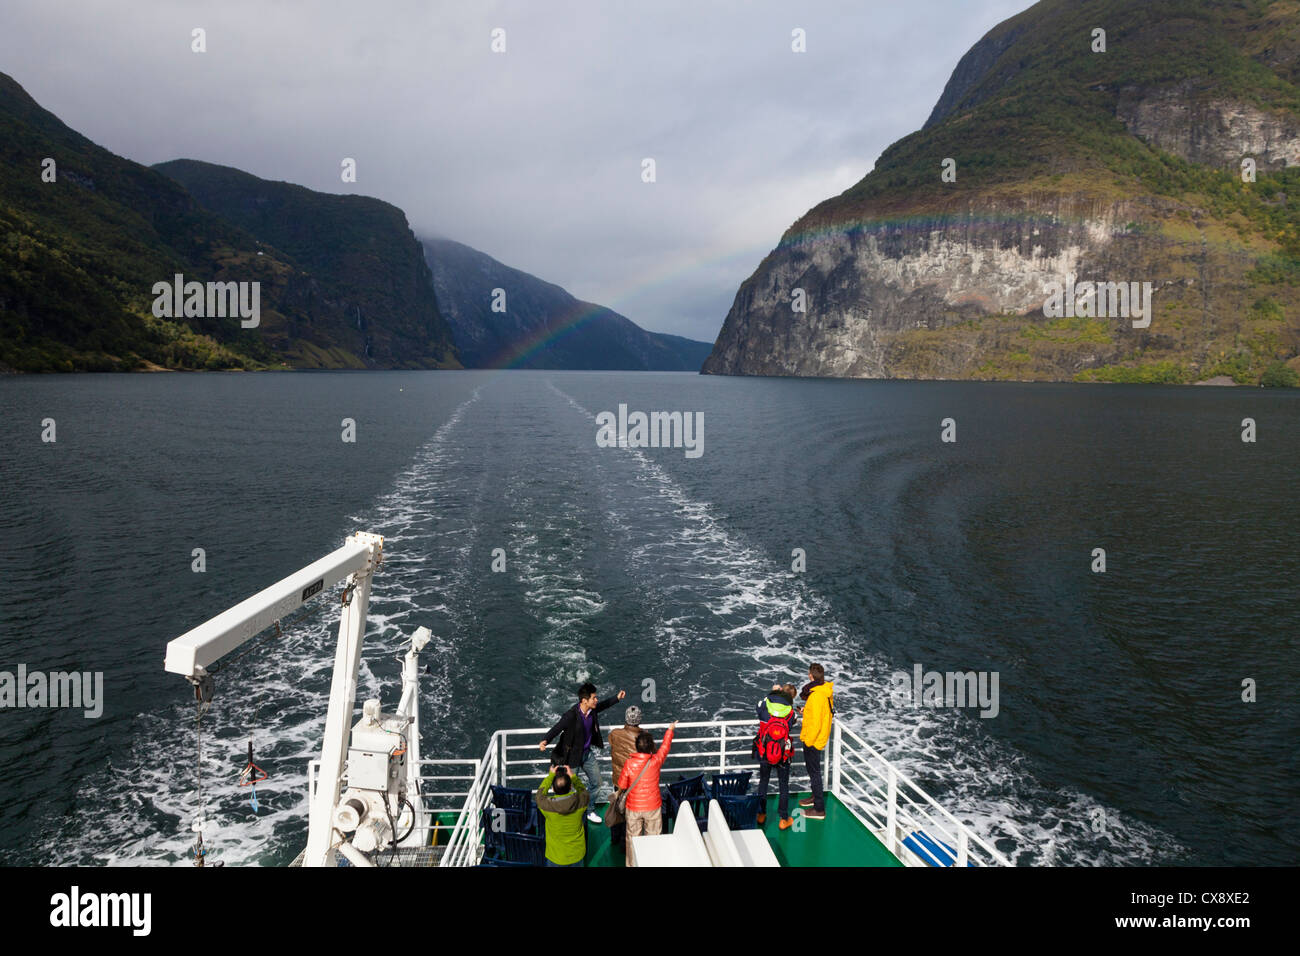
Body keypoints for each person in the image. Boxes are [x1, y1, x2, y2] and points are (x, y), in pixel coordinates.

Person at [539, 682, 626, 823]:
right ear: (584, 700)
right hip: (572, 758)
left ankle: (589, 810)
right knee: (571, 789)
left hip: (587, 755)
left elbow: (603, 705)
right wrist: (545, 741)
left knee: (597, 782)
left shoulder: (592, 711)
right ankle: (573, 814)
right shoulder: (571, 716)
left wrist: (616, 698)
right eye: (594, 698)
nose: (596, 700)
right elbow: (557, 728)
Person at [615, 721, 677, 865]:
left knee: (632, 841)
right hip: (653, 807)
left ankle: (631, 864)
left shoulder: (629, 763)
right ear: (651, 747)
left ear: (636, 747)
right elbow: (665, 748)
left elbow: (622, 784)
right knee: (653, 840)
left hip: (633, 808)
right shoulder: (656, 761)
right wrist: (670, 730)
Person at [754, 683, 797, 829]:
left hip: (765, 751)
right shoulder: (790, 712)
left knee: (763, 782)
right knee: (783, 785)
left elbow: (758, 706)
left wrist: (771, 692)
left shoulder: (765, 707)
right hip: (783, 754)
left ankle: (761, 814)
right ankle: (784, 819)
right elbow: (792, 723)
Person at [798, 663, 834, 819]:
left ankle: (819, 809)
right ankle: (814, 797)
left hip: (813, 740)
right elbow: (820, 713)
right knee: (814, 772)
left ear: (810, 676)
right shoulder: (823, 691)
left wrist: (808, 741)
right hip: (818, 737)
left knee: (814, 773)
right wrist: (805, 711)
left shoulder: (817, 695)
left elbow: (816, 723)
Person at [536, 765, 588, 866]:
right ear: (570, 787)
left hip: (555, 856)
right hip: (576, 855)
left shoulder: (548, 806)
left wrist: (550, 776)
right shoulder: (582, 801)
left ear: (553, 789)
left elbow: (539, 796)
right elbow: (583, 791)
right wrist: (572, 776)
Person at [606, 706, 643, 847]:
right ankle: (624, 842)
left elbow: (611, 742)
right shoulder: (644, 736)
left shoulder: (615, 734)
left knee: (617, 808)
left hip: (619, 779)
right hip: (635, 781)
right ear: (639, 719)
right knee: (630, 811)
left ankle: (615, 838)